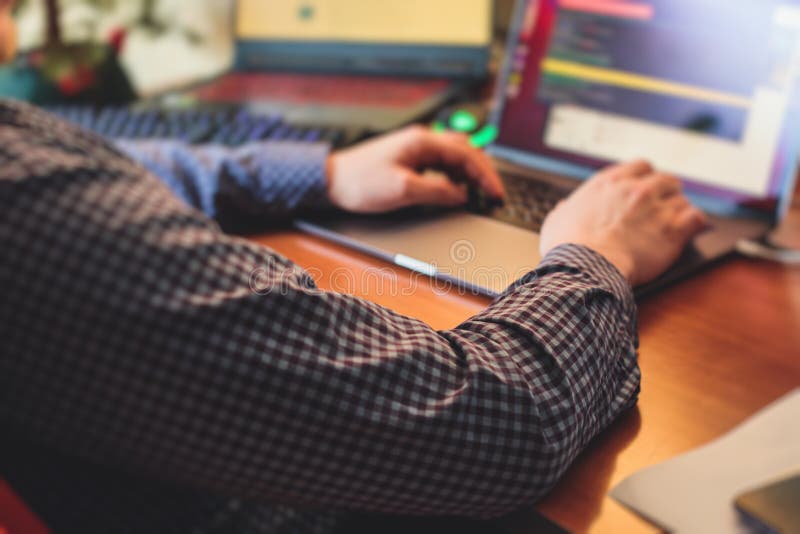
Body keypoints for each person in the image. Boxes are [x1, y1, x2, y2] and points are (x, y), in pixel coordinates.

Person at [0, 2, 707, 532]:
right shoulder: (25, 202)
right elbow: (494, 430)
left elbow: (109, 167)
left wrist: (325, 174)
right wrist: (595, 253)